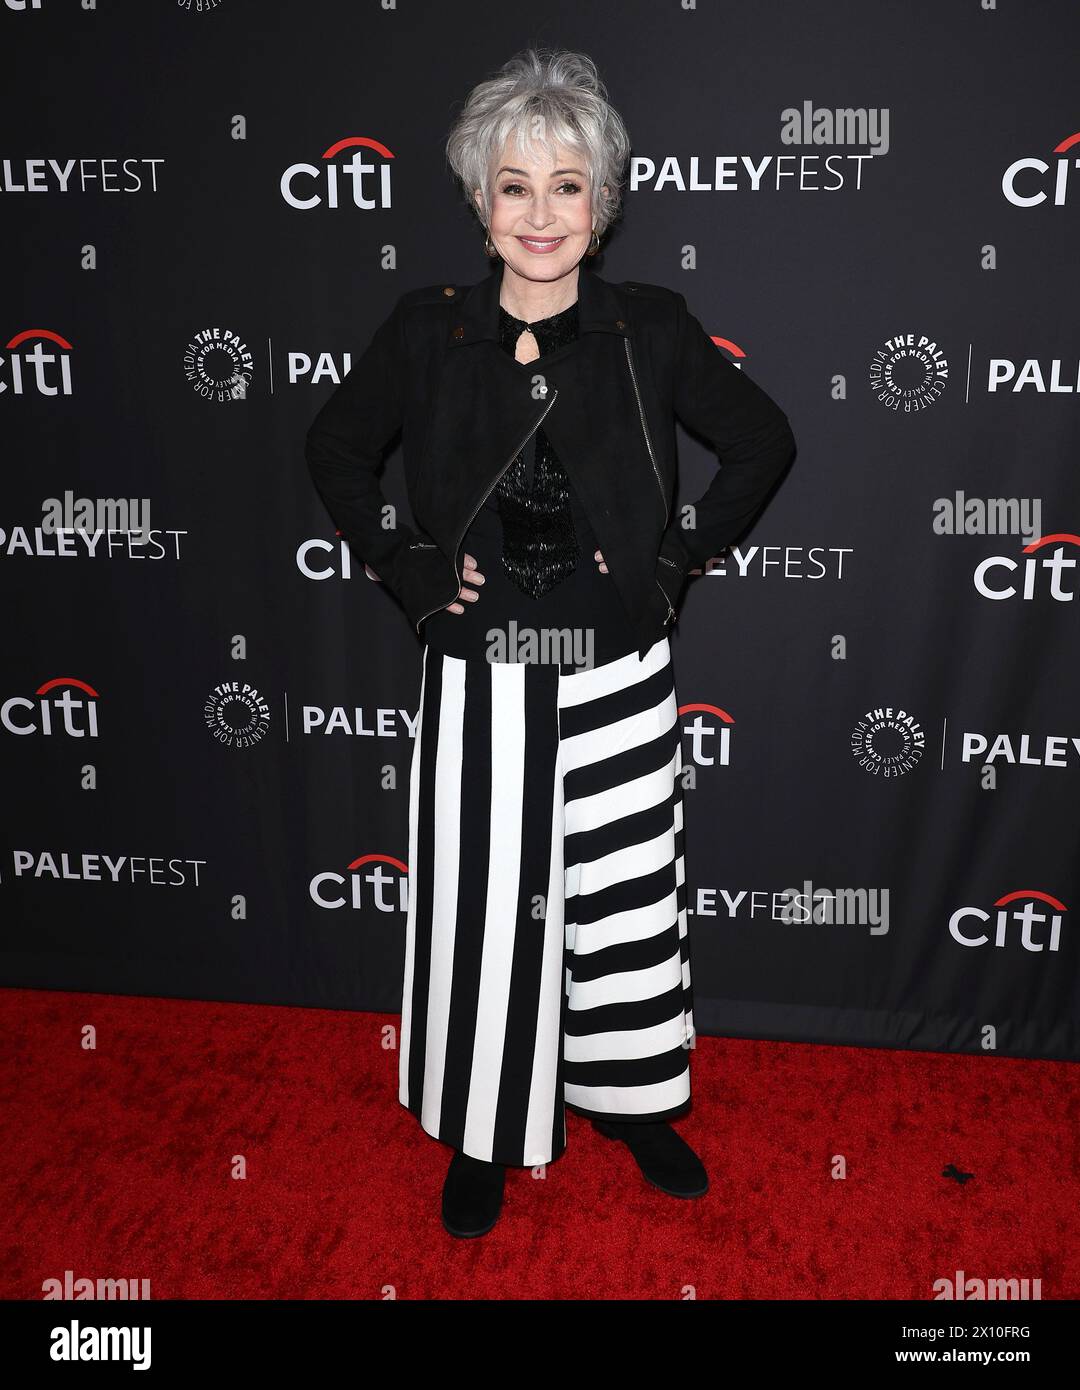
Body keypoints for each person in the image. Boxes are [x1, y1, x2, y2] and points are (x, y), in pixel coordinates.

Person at [305, 47, 796, 1239]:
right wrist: (415, 570)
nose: (541, 213)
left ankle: (630, 1101)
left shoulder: (651, 328)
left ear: (606, 203)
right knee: (482, 905)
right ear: (479, 204)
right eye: (514, 186)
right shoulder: (425, 332)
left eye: (567, 185)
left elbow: (763, 444)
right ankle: (482, 1123)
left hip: (619, 666)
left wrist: (675, 561)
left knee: (625, 901)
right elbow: (335, 450)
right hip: (480, 674)